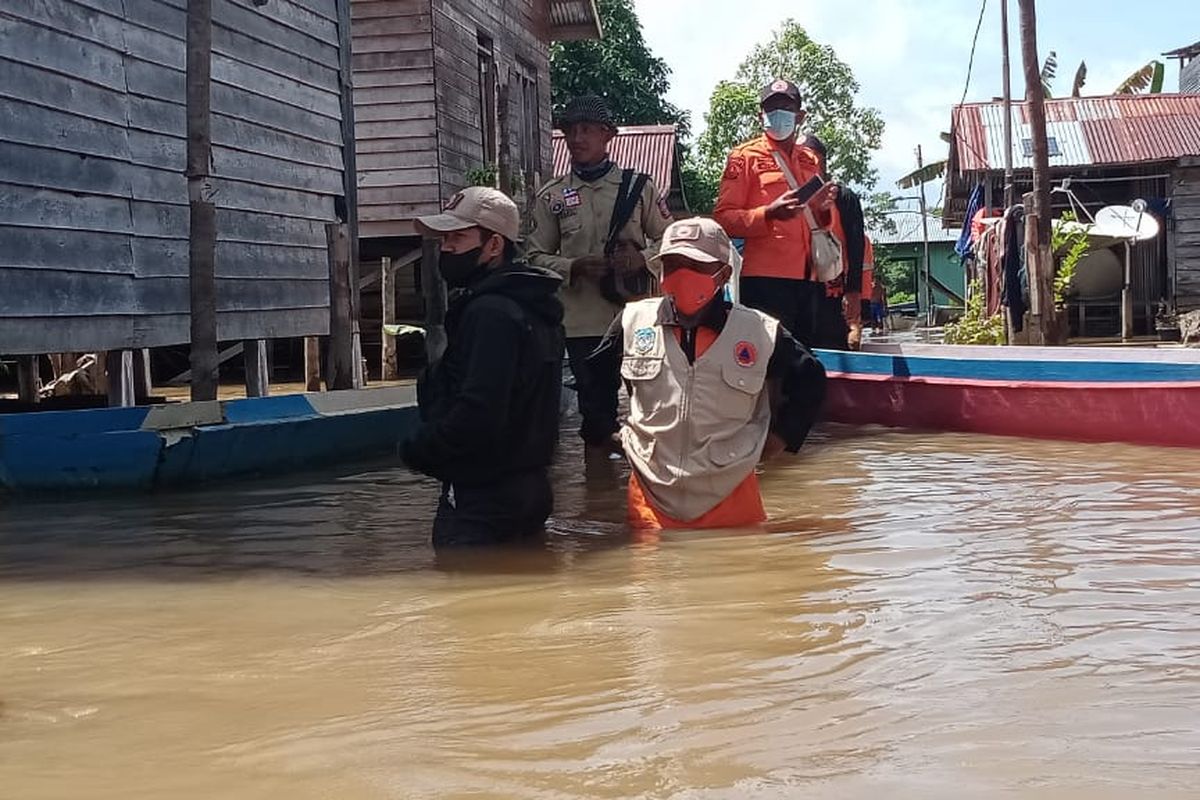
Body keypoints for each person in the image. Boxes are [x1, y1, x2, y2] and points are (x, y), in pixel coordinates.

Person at [592, 217, 827, 530]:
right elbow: (593, 376)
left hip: (731, 501)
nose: (681, 274)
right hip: (649, 504)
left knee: (731, 574)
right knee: (648, 576)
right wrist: (609, 434)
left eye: (695, 264)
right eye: (672, 264)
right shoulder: (633, 320)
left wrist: (781, 438)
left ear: (724, 274)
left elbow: (811, 379)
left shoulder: (759, 331)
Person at [400, 187, 566, 548]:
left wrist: (416, 448)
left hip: (483, 498)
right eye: (444, 238)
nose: (446, 248)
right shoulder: (536, 307)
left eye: (458, 237)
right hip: (531, 490)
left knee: (462, 591)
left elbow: (479, 413)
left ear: (494, 246)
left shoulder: (489, 313)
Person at [526, 95, 672, 452]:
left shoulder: (640, 188)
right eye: (571, 130)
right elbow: (532, 256)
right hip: (582, 323)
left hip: (639, 318)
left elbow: (671, 239)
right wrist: (572, 267)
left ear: (608, 135)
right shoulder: (552, 196)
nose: (578, 138)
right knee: (595, 419)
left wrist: (643, 259)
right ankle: (599, 493)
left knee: (653, 408)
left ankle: (649, 491)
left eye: (587, 129)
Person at [713, 79, 842, 351]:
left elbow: (817, 221)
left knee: (807, 367)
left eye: (786, 107)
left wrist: (822, 207)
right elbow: (723, 218)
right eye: (771, 108)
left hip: (810, 280)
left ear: (800, 116)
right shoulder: (744, 157)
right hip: (766, 282)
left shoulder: (811, 159)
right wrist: (768, 214)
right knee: (767, 367)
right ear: (761, 116)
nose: (778, 113)